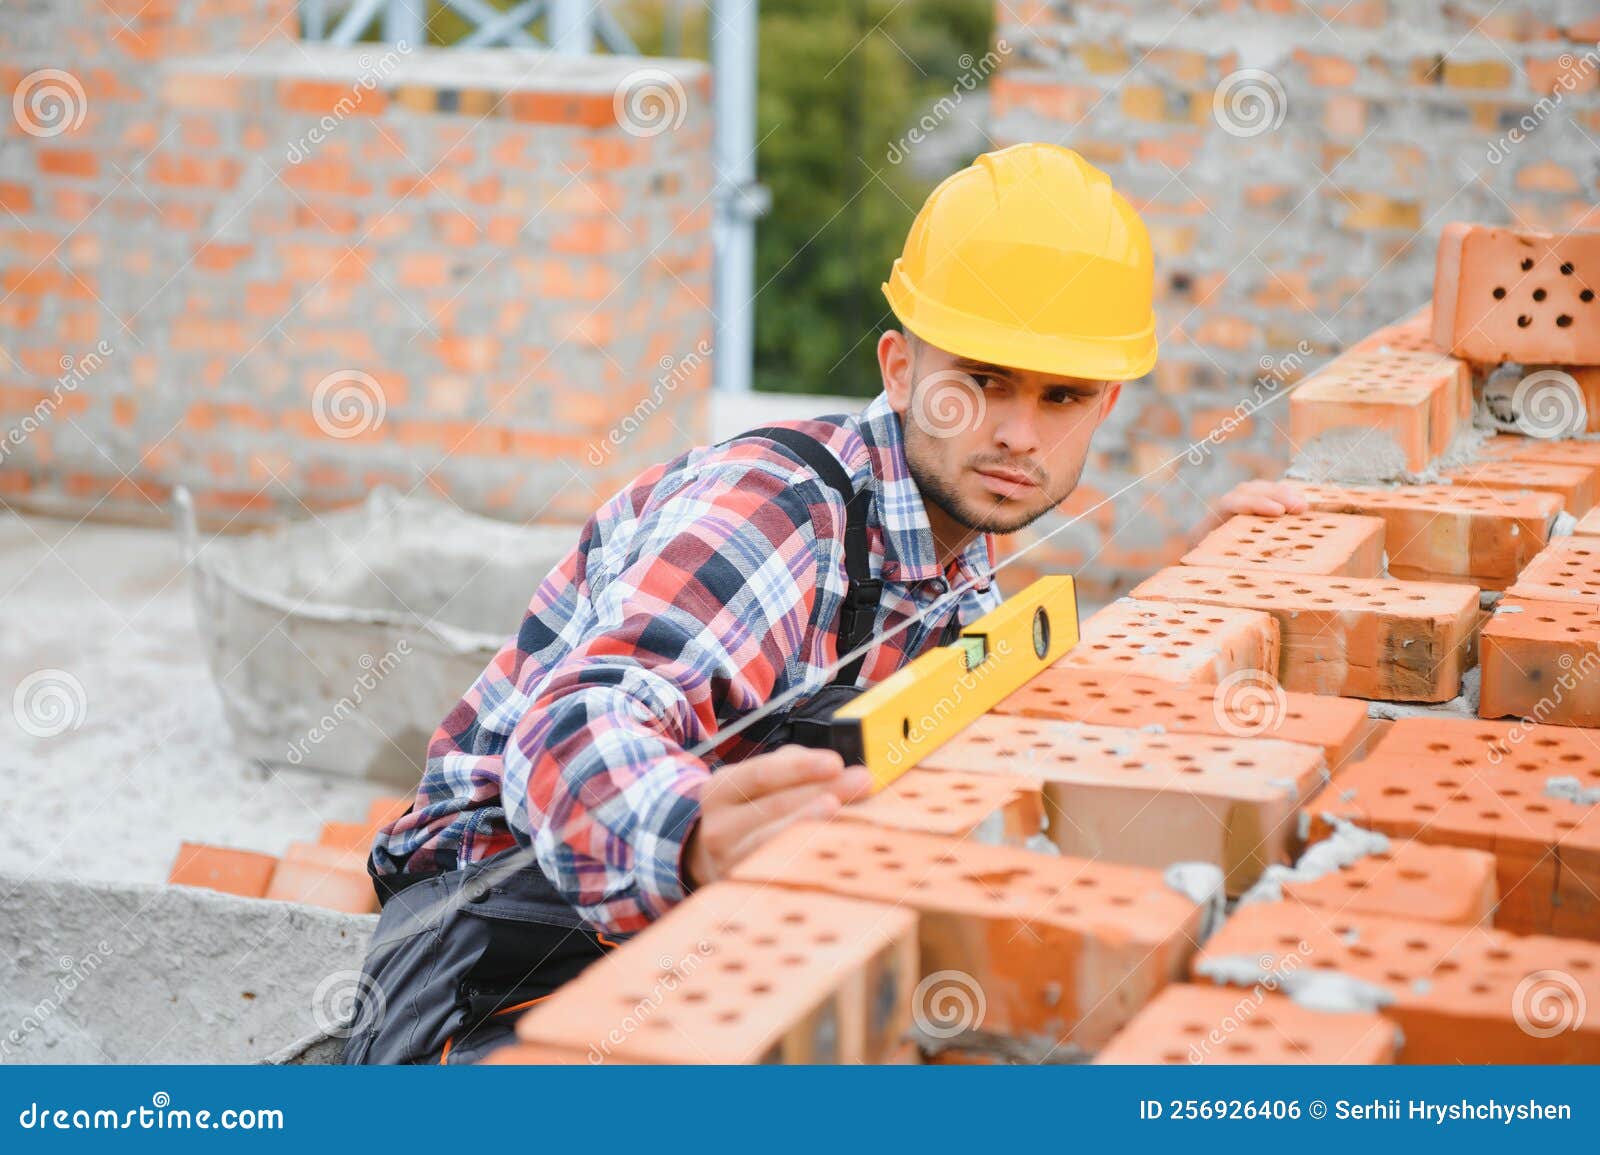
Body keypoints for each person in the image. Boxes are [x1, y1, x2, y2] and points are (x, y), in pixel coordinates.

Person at [341, 142, 1308, 1064]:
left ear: (1104, 407)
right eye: (981, 383)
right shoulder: (776, 513)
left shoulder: (954, 563)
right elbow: (574, 721)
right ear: (899, 369)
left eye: (1061, 397)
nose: (1018, 434)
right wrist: (692, 835)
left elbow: (1014, 725)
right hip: (489, 945)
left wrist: (1196, 593)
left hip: (708, 938)